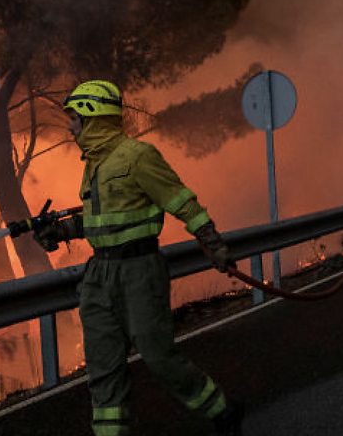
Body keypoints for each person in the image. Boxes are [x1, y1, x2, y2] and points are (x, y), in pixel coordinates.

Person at [31, 80, 244, 436]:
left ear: (93, 116)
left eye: (74, 118)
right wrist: (62, 232)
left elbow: (181, 201)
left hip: (140, 272)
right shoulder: (93, 166)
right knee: (103, 369)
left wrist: (212, 243)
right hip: (99, 275)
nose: (70, 127)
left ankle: (222, 411)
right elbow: (101, 222)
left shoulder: (138, 156)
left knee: (159, 358)